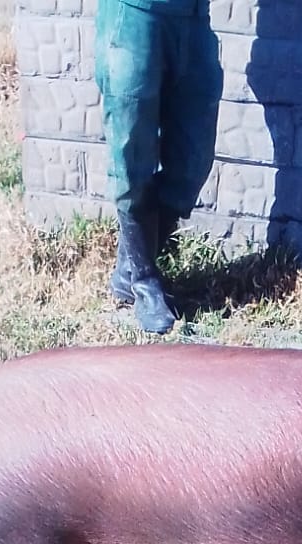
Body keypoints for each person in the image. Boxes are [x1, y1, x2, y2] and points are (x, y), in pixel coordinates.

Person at [95, 0, 223, 334]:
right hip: (135, 15)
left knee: (193, 160)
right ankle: (145, 280)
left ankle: (130, 266)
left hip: (193, 18)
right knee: (131, 157)